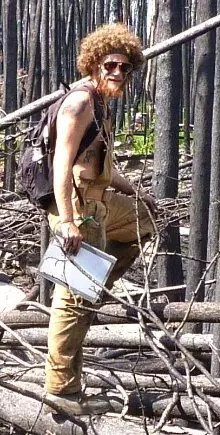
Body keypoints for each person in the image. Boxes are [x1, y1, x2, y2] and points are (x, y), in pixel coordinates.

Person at [44, 23, 156, 414]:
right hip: (78, 211)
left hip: (99, 205)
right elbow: (62, 165)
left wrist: (138, 193)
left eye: (126, 68)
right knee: (72, 302)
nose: (118, 73)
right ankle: (62, 391)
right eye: (111, 65)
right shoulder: (79, 104)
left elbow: (103, 163)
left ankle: (96, 281)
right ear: (94, 62)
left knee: (146, 220)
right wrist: (69, 221)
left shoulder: (100, 103)